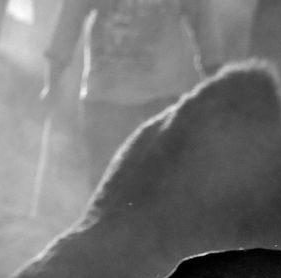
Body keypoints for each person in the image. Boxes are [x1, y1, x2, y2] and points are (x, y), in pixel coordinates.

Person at [41, 0, 224, 185]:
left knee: (152, 185)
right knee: (112, 183)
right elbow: (69, 20)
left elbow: (205, 25)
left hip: (156, 101)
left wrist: (216, 83)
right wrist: (52, 82)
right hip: (110, 98)